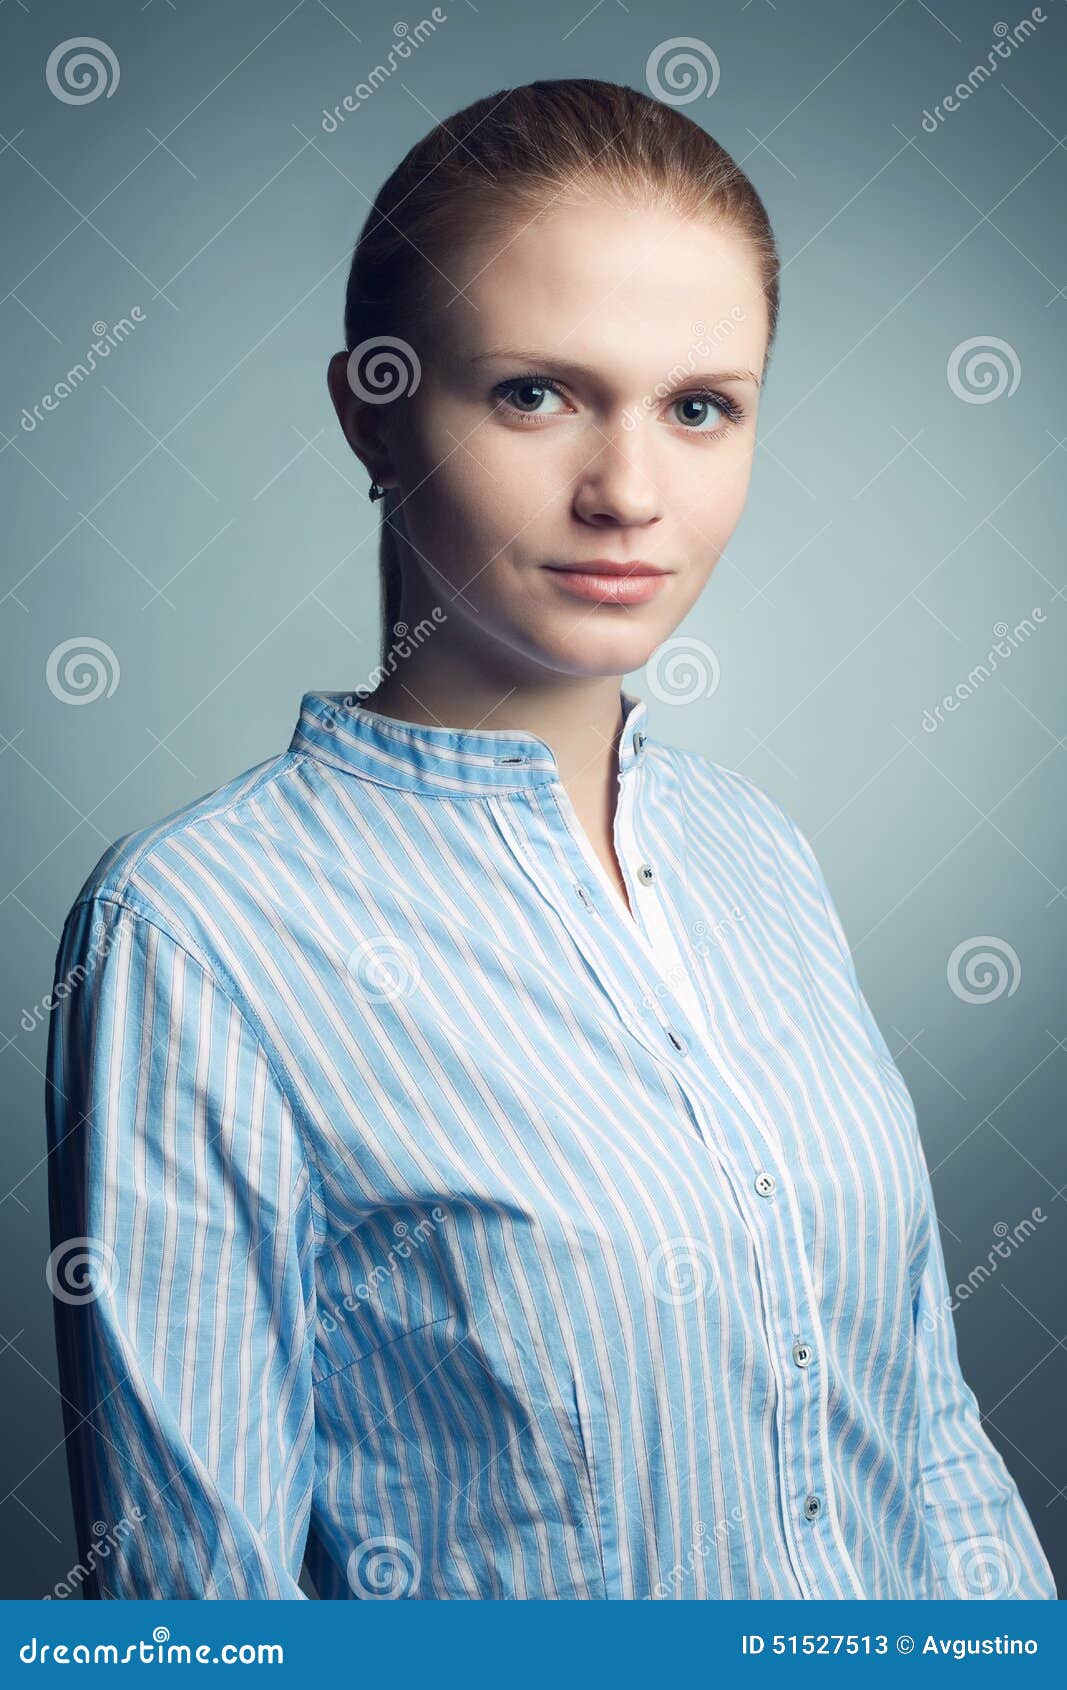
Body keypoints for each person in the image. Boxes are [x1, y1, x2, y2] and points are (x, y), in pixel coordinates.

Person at [44, 78, 1055, 1601]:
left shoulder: (756, 851)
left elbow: (920, 1435)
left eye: (700, 406)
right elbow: (204, 1615)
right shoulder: (199, 926)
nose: (629, 493)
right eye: (535, 392)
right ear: (371, 405)